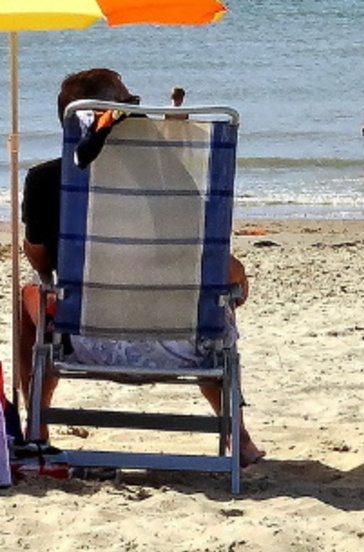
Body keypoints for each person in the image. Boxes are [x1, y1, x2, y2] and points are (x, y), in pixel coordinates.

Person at [17, 68, 263, 464]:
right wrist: (239, 281)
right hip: (183, 344)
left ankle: (37, 430)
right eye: (130, 104)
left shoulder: (47, 180)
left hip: (85, 342)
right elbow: (211, 258)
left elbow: (41, 261)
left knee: (28, 295)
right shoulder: (168, 175)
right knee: (215, 300)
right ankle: (240, 438)